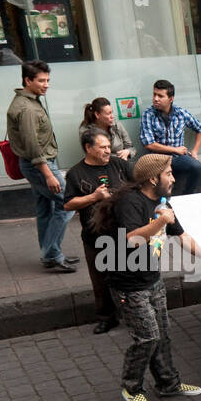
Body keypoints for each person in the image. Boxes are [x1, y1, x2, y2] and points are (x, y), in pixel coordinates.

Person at [92, 154, 201, 401]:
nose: (174, 178)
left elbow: (182, 236)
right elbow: (131, 239)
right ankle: (132, 389)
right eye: (169, 174)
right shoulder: (131, 202)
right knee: (146, 338)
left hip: (152, 279)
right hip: (128, 284)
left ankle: (168, 384)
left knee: (162, 333)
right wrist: (160, 221)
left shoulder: (162, 202)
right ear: (153, 178)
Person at [6, 61, 77, 273]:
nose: (46, 85)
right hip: (39, 165)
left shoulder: (31, 101)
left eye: (48, 80)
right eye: (41, 81)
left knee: (45, 208)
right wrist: (48, 174)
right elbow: (32, 144)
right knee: (68, 204)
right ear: (27, 81)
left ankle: (51, 254)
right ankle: (51, 253)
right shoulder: (26, 108)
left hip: (37, 164)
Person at [63, 128, 131, 334]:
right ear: (88, 148)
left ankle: (135, 313)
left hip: (124, 233)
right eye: (103, 147)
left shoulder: (120, 165)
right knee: (100, 280)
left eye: (109, 147)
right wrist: (94, 197)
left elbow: (140, 184)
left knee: (129, 276)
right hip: (95, 236)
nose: (108, 151)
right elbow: (68, 204)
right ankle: (106, 318)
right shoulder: (76, 173)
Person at [139, 80, 201, 195]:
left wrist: (195, 151)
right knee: (159, 183)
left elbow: (200, 129)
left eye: (160, 96)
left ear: (171, 99)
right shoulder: (148, 114)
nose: (155, 99)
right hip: (157, 159)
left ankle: (187, 195)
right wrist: (175, 150)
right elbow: (149, 144)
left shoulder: (181, 113)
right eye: (154, 94)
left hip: (178, 159)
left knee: (196, 166)